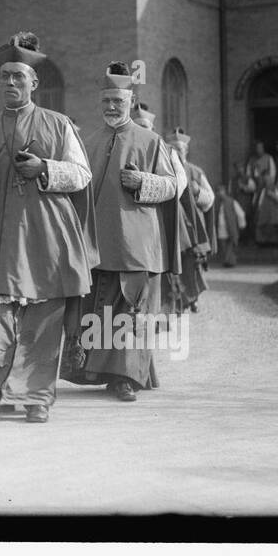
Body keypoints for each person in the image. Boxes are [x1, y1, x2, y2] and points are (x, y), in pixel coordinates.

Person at [0, 33, 95, 424]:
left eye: (19, 76)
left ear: (34, 82)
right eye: (6, 77)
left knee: (41, 321)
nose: (12, 83)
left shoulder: (59, 124)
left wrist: (45, 169)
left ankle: (36, 399)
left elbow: (82, 175)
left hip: (44, 235)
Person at [71, 63, 186, 402]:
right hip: (98, 243)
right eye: (106, 100)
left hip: (138, 244)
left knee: (133, 312)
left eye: (117, 101)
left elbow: (173, 185)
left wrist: (143, 183)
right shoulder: (88, 142)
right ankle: (104, 371)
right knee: (103, 308)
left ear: (130, 100)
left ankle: (126, 379)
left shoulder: (152, 142)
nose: (110, 106)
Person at [163, 128, 212, 314]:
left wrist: (198, 192)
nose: (176, 152)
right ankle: (176, 301)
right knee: (174, 266)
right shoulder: (164, 170)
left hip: (191, 225)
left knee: (192, 265)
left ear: (186, 151)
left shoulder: (196, 172)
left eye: (180, 149)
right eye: (172, 149)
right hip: (172, 224)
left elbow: (210, 200)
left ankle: (193, 298)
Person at [247, 140, 278, 245]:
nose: (258, 150)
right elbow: (249, 174)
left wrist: (270, 188)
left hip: (272, 210)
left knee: (272, 225)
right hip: (258, 190)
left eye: (260, 147)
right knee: (261, 223)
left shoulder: (269, 158)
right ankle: (262, 241)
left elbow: (273, 174)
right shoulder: (252, 160)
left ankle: (274, 242)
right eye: (257, 148)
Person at [213, 185, 245, 267]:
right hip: (220, 228)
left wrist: (242, 224)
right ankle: (227, 261)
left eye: (221, 191)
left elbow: (240, 213)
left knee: (230, 246)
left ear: (225, 191)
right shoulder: (216, 203)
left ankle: (230, 262)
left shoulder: (231, 201)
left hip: (230, 227)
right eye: (218, 191)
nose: (220, 193)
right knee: (223, 246)